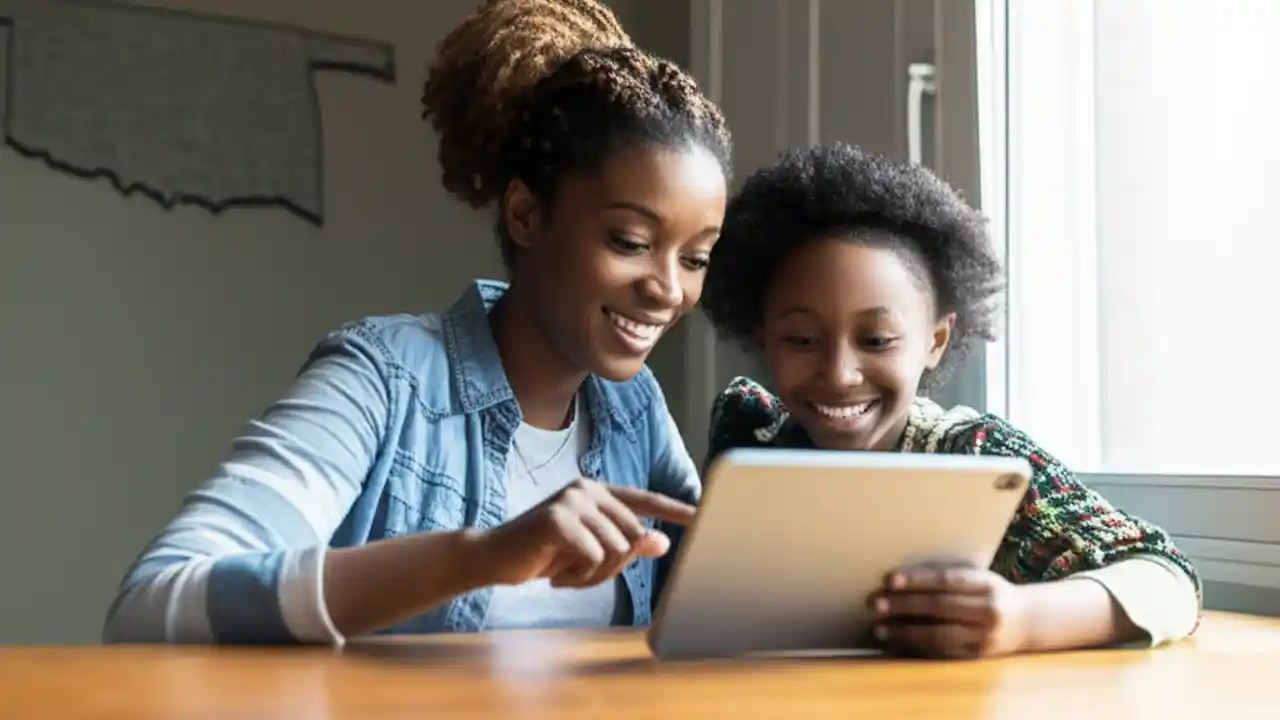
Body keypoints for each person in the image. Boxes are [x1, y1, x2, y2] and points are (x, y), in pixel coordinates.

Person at [104, 0, 732, 644]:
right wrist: (481, 556)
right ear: (525, 215)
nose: (668, 288)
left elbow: (726, 594)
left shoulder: (632, 410)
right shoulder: (383, 378)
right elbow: (151, 605)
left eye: (696, 258)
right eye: (629, 241)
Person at [699, 143, 1200, 659]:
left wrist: (1022, 620)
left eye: (877, 340)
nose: (839, 374)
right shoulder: (751, 435)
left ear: (935, 341)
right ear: (763, 337)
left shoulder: (978, 456)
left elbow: (1168, 577)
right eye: (802, 340)